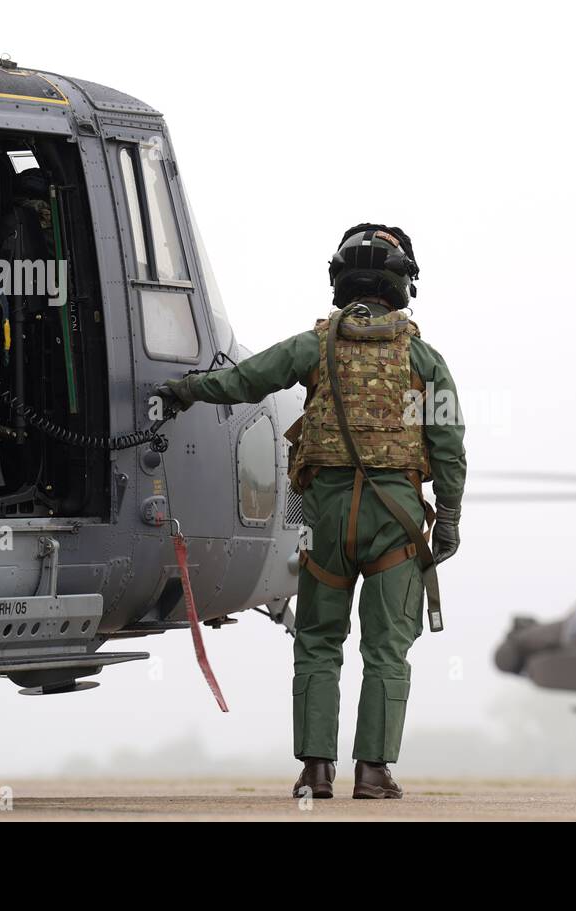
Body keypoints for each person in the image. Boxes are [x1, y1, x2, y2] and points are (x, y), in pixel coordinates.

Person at [159, 224, 465, 800]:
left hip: (326, 516)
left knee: (319, 641)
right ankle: (373, 774)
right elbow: (448, 443)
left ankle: (316, 772)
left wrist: (188, 390)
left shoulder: (314, 348)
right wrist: (446, 519)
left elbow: (248, 380)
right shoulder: (427, 362)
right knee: (386, 648)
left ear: (340, 280)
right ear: (402, 287)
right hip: (396, 519)